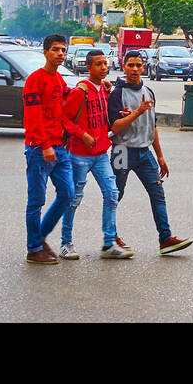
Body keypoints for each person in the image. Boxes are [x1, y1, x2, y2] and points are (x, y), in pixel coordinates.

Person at [106, 52, 192, 255]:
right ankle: (110, 237)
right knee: (115, 195)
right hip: (122, 151)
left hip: (145, 153)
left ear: (144, 67)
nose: (135, 69)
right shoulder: (117, 94)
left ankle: (165, 238)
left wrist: (160, 156)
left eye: (138, 65)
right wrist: (137, 112)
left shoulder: (149, 91)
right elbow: (114, 127)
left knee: (158, 194)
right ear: (124, 67)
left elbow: (152, 126)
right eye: (130, 65)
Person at [59, 50, 131, 260]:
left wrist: (120, 115)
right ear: (88, 67)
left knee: (112, 194)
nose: (103, 67)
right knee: (74, 199)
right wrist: (82, 134)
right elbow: (65, 118)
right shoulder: (81, 91)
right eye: (98, 64)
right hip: (79, 154)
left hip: (100, 153)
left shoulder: (103, 90)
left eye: (105, 63)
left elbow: (104, 117)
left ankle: (109, 243)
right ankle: (66, 243)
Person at [22, 34, 77, 265]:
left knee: (68, 194)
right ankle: (34, 248)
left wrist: (98, 86)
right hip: (39, 149)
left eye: (63, 50)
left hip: (59, 148)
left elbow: (70, 96)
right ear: (45, 52)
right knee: (36, 201)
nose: (60, 54)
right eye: (55, 50)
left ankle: (39, 236)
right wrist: (45, 146)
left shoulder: (58, 79)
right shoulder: (35, 80)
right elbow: (32, 118)